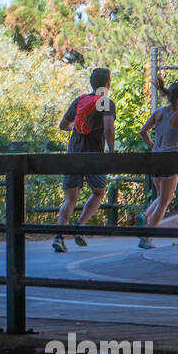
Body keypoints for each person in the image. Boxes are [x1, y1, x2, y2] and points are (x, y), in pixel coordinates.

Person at [54, 67, 115, 253]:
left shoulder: (80, 100)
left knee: (70, 198)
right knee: (98, 192)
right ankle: (80, 226)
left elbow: (63, 125)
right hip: (94, 156)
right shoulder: (105, 101)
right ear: (107, 84)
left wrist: (79, 126)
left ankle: (59, 237)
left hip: (73, 153)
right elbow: (108, 128)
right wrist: (111, 151)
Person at [136, 78, 178, 249]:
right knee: (165, 201)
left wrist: (151, 145)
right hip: (171, 158)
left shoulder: (158, 112)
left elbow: (143, 131)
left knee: (162, 196)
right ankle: (147, 236)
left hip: (156, 158)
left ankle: (144, 215)